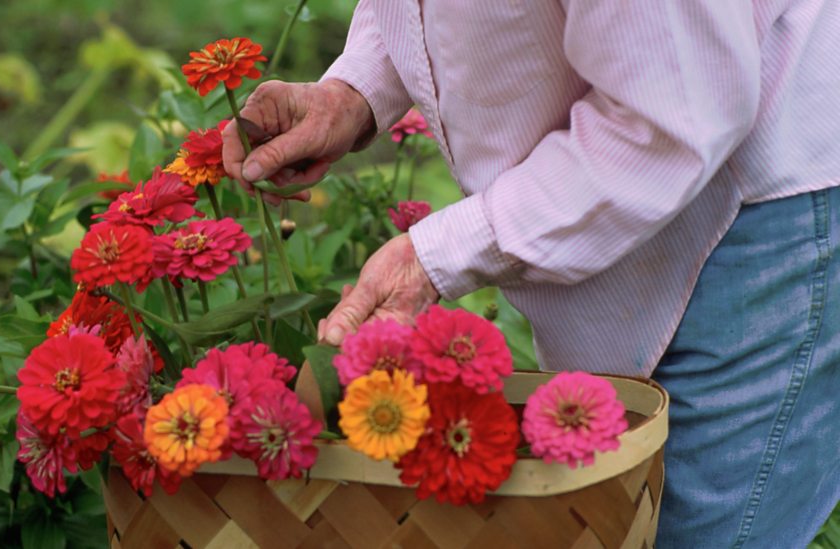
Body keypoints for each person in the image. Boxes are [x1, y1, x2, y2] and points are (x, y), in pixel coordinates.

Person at [221, 1, 840, 547]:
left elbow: (672, 116)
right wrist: (355, 91)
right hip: (612, 205)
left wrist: (436, 254)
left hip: (749, 210)